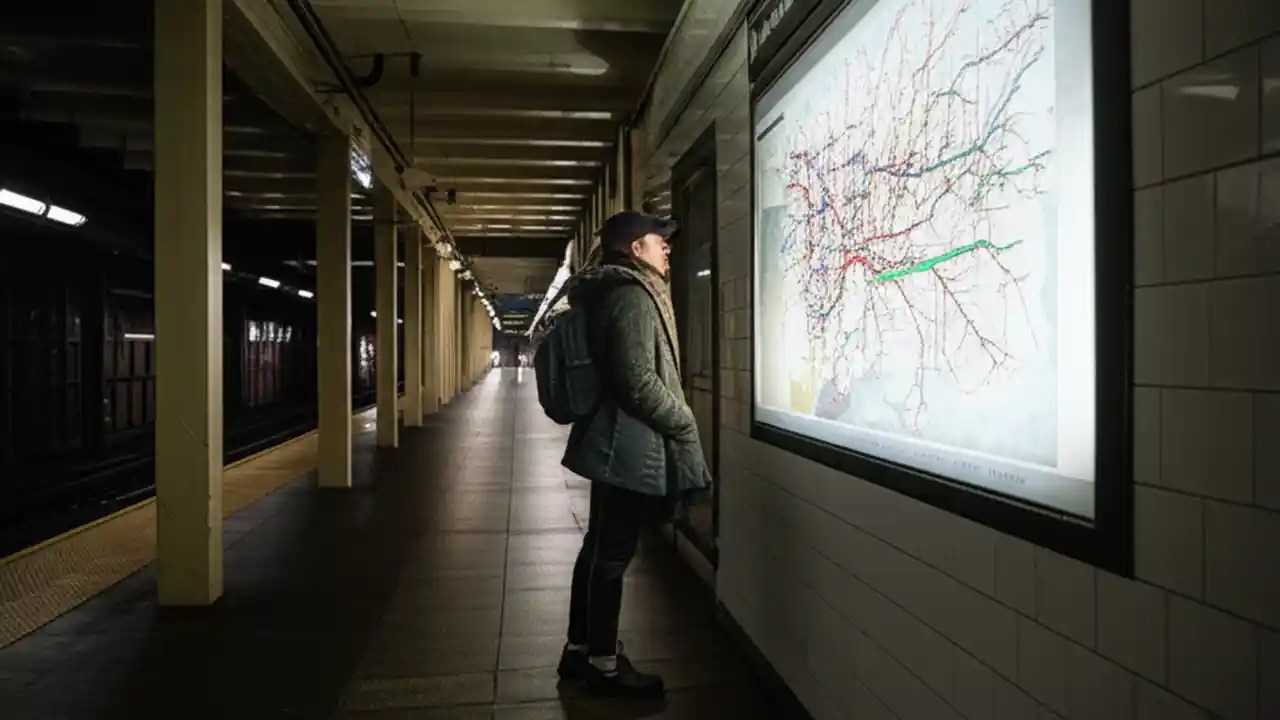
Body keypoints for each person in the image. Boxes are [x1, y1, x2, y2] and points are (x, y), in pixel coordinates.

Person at [555, 210, 711, 697]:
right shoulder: (632, 297)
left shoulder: (616, 292)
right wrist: (683, 419)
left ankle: (580, 650)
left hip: (614, 441)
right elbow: (637, 380)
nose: (667, 247)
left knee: (599, 547)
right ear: (634, 249)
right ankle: (602, 663)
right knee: (612, 555)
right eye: (657, 240)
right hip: (625, 446)